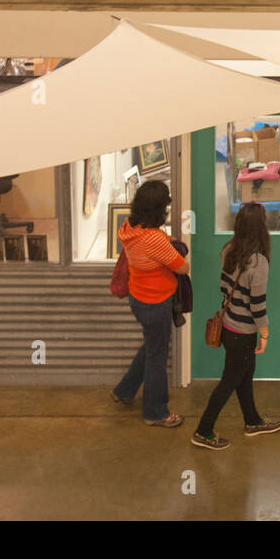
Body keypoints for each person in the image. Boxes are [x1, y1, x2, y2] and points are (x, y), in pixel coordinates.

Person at [191, 202, 280, 450]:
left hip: (230, 326)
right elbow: (257, 305)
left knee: (244, 376)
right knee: (229, 382)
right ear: (261, 227)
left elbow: (225, 289)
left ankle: (252, 421)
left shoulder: (228, 249)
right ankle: (203, 431)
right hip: (244, 332)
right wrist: (265, 334)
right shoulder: (259, 261)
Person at [111, 180, 189, 427]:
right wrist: (170, 245)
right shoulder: (154, 240)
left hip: (139, 298)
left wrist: (166, 241)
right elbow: (183, 267)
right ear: (159, 210)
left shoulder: (128, 227)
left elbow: (152, 246)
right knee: (157, 357)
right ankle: (155, 412)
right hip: (156, 303)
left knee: (151, 346)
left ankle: (124, 391)